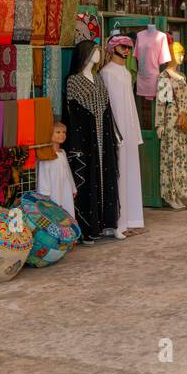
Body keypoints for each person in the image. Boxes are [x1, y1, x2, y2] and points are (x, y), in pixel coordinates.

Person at [62, 40, 119, 244]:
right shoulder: (73, 81)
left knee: (105, 177)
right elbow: (72, 115)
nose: (98, 54)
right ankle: (88, 228)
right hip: (85, 140)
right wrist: (75, 144)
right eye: (94, 51)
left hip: (103, 137)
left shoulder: (98, 78)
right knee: (88, 179)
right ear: (85, 54)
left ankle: (105, 223)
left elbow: (107, 109)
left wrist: (113, 135)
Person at [101, 34, 144, 237]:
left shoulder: (125, 73)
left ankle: (131, 219)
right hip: (117, 129)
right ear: (113, 48)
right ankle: (118, 222)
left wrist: (134, 129)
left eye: (129, 47)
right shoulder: (107, 73)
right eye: (123, 47)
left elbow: (130, 105)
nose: (127, 50)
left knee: (130, 172)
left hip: (129, 127)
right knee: (119, 174)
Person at [154, 40, 187, 210]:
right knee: (172, 157)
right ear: (170, 55)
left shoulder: (182, 76)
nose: (181, 57)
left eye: (182, 54)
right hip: (171, 121)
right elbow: (161, 102)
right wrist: (160, 124)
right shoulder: (165, 76)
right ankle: (170, 194)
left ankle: (180, 192)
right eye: (179, 54)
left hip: (184, 120)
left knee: (183, 157)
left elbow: (185, 99)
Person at [36, 120, 76, 219]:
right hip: (53, 191)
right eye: (58, 132)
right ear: (50, 134)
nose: (62, 135)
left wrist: (72, 187)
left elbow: (68, 172)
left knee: (67, 212)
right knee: (54, 215)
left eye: (64, 132)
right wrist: (45, 194)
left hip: (65, 188)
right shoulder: (46, 155)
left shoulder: (62, 152)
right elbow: (43, 175)